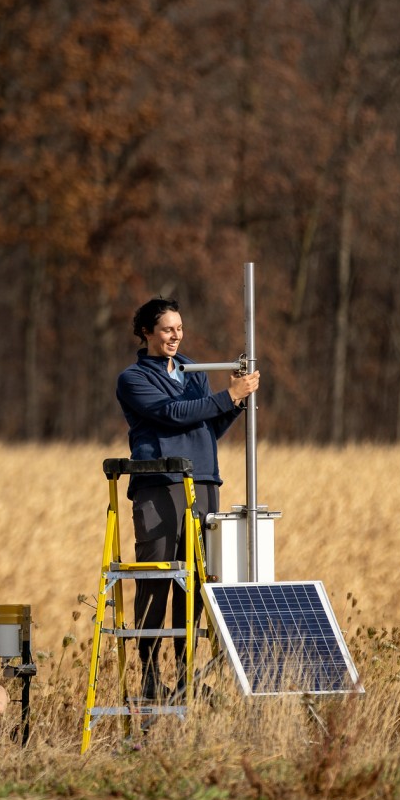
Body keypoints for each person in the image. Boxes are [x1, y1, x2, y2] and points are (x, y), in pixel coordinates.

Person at [115, 297, 260, 700]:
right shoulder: (133, 378)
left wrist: (236, 401)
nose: (175, 336)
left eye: (179, 328)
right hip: (160, 485)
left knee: (196, 581)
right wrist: (225, 396)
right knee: (158, 576)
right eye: (166, 329)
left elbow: (206, 428)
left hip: (204, 483)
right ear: (147, 332)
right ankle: (147, 674)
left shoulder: (193, 371)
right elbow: (172, 414)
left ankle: (185, 675)